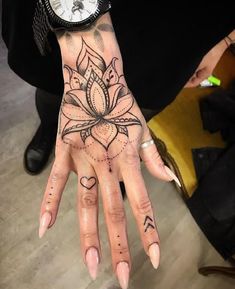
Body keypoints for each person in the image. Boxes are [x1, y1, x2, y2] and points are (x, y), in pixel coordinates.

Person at [2, 1, 235, 288]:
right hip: (75, 11)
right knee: (55, 90)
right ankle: (50, 127)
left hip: (181, 33)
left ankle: (117, 163)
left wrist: (226, 37)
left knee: (138, 114)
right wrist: (80, 27)